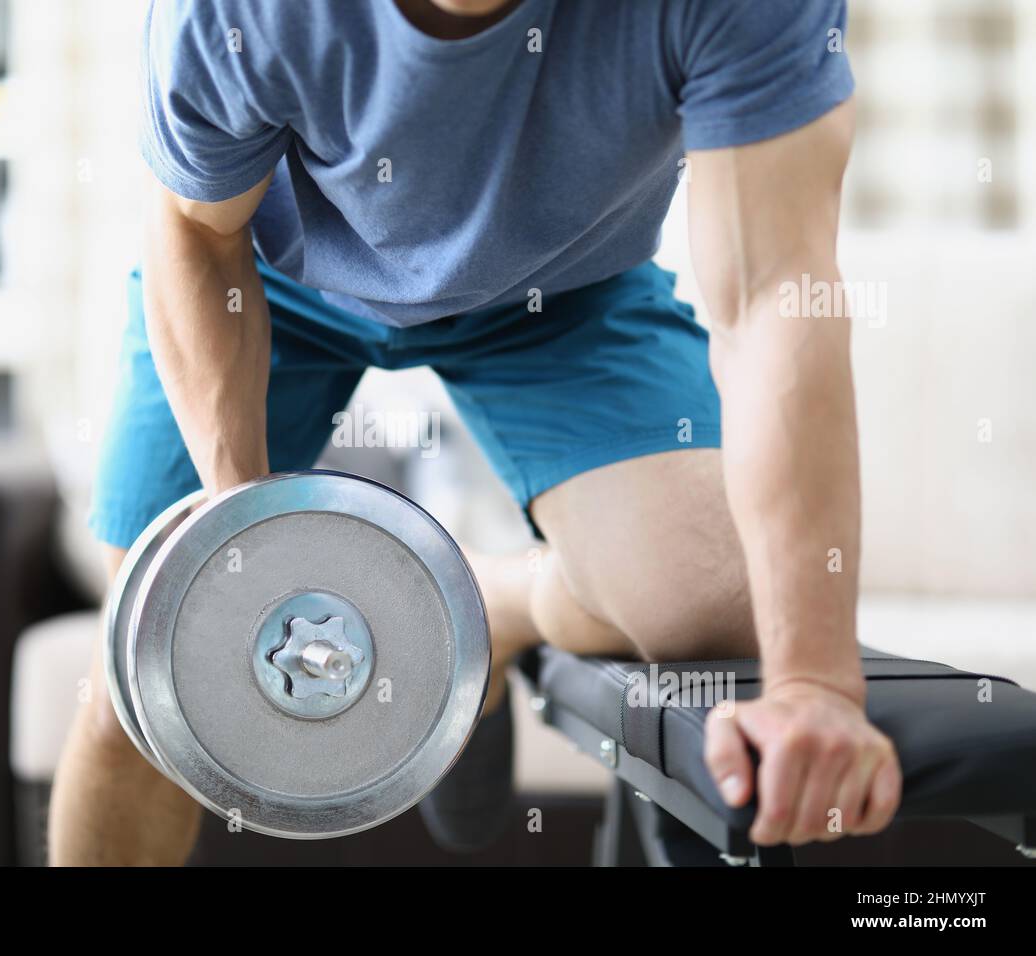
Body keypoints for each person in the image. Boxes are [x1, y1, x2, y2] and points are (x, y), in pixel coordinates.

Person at [50, 0, 901, 865]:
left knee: (717, 602)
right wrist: (243, 543)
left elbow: (774, 303)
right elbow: (197, 230)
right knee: (153, 670)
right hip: (267, 275)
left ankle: (487, 608)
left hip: (561, 285)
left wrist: (813, 684)